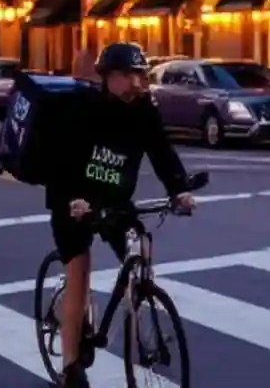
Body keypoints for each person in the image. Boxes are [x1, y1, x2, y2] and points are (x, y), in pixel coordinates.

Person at [45, 41, 197, 388]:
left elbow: (161, 149)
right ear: (109, 77)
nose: (137, 84)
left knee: (138, 245)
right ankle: (70, 365)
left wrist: (180, 189)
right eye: (128, 76)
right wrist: (75, 199)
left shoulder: (143, 109)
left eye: (140, 76)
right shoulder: (83, 110)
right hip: (72, 198)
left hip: (113, 201)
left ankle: (137, 297)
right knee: (79, 272)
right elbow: (62, 160)